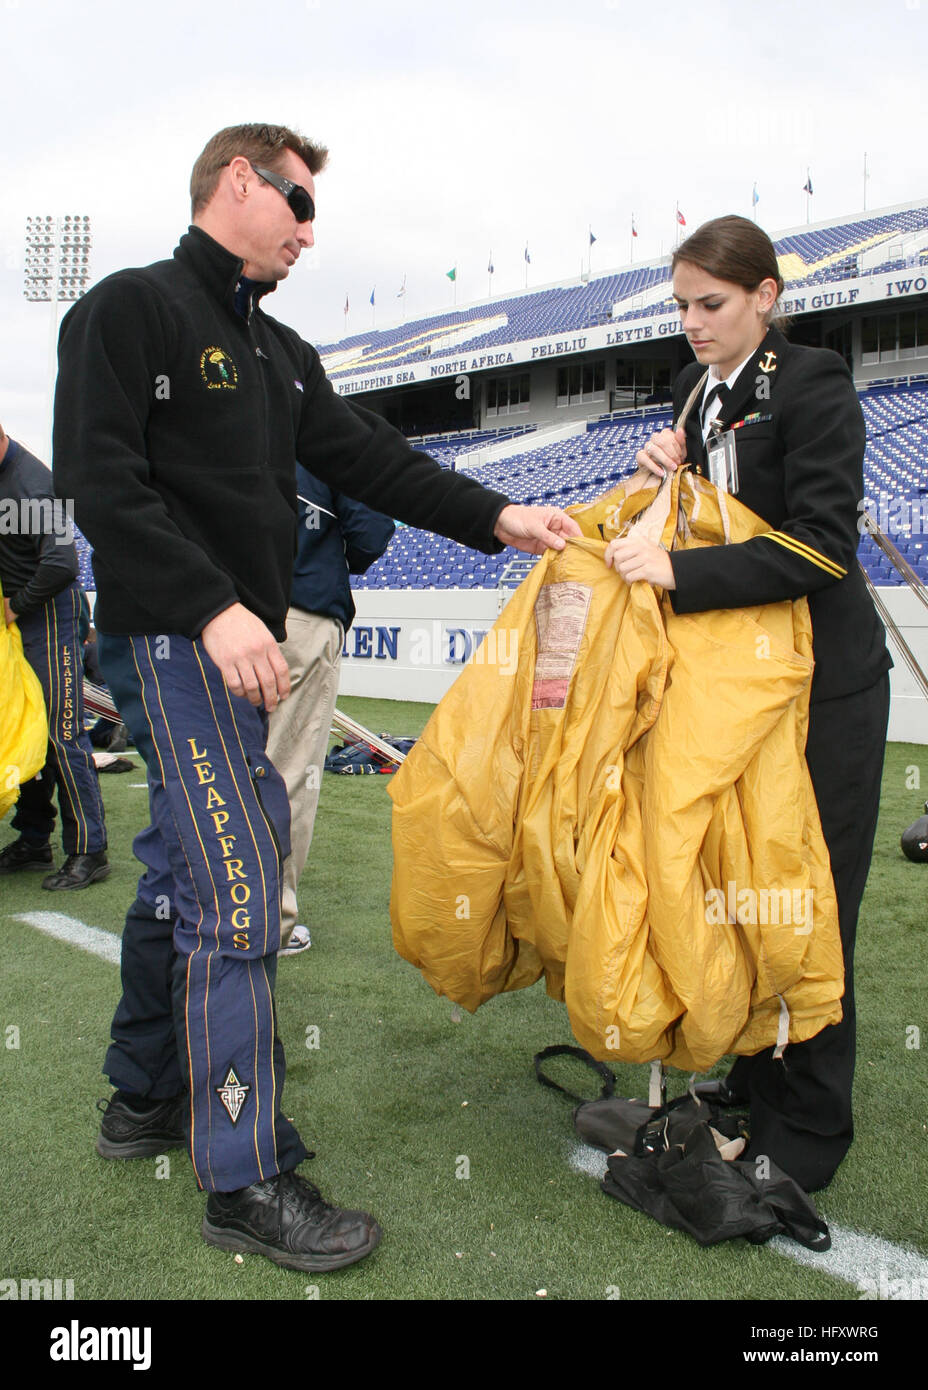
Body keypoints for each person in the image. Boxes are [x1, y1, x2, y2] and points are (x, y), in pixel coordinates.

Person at [52, 122, 581, 1274]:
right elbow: (100, 481)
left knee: (180, 869)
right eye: (295, 202)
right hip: (174, 640)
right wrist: (212, 605)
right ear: (235, 180)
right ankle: (242, 1177)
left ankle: (141, 1095)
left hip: (234, 649)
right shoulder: (127, 309)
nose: (306, 230)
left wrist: (502, 517)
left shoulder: (283, 352)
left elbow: (372, 460)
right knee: (243, 889)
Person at [604, 214, 891, 1193]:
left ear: (765, 297)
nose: (690, 321)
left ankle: (805, 1126)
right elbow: (704, 510)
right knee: (736, 888)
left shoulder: (810, 380)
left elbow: (819, 544)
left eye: (710, 303)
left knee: (808, 897)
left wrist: (679, 571)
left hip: (824, 687)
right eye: (680, 304)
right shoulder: (692, 388)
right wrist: (660, 483)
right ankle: (750, 1078)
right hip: (738, 694)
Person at [268, 468, 395, 955]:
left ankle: (203, 905)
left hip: (218, 616)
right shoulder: (317, 431)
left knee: (220, 765)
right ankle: (266, 922)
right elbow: (371, 533)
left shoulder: (223, 415)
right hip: (300, 612)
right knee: (288, 773)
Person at [0, 421, 109, 889]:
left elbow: (62, 564)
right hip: (17, 627)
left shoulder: (31, 484)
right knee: (25, 729)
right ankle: (34, 838)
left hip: (47, 622)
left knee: (63, 738)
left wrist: (15, 605)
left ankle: (90, 850)